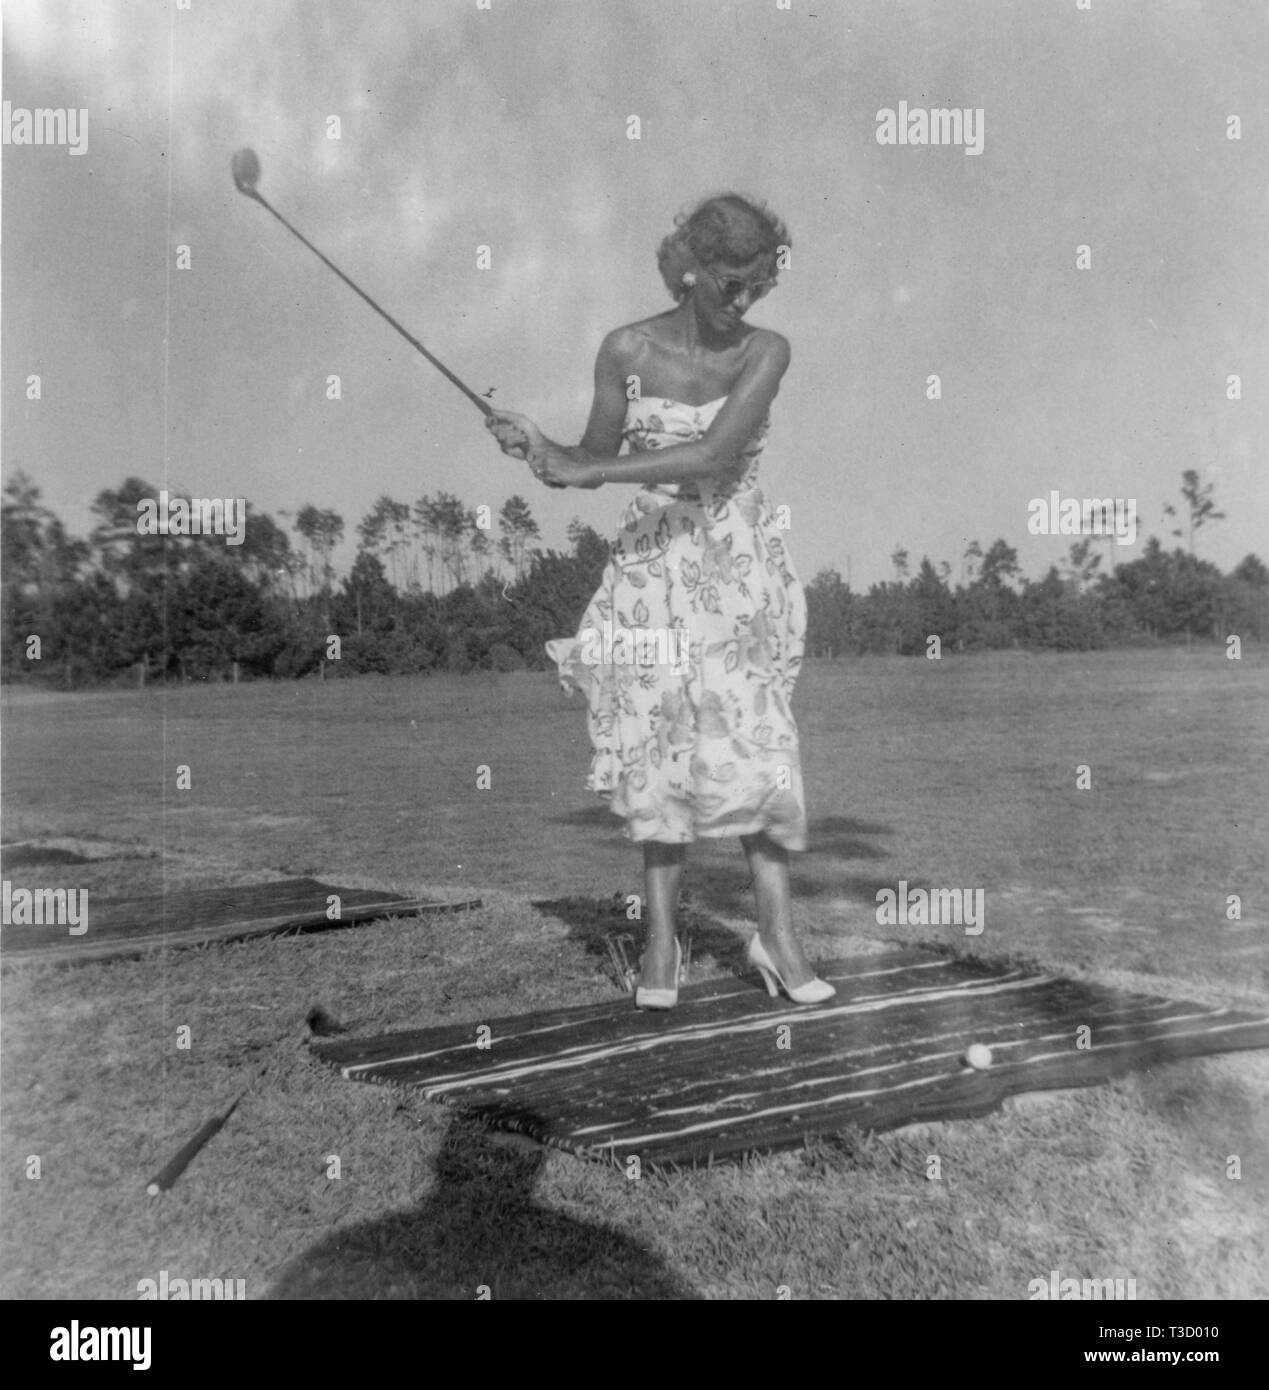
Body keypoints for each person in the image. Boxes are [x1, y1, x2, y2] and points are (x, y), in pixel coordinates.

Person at [486, 194, 833, 1011]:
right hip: (650, 573)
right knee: (657, 747)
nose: (743, 300)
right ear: (688, 267)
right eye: (727, 283)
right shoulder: (624, 349)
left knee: (757, 744)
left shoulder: (767, 351)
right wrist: (540, 447)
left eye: (755, 284)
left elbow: (713, 457)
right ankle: (660, 941)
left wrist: (588, 472)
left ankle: (775, 937)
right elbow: (587, 456)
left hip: (738, 564)